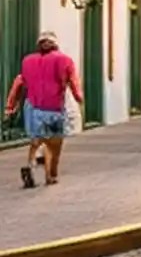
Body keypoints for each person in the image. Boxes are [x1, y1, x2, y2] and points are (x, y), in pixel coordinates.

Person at [4, 31, 83, 187]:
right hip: (54, 107)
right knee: (54, 143)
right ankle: (51, 175)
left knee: (37, 140)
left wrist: (10, 105)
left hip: (33, 107)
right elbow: (73, 82)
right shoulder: (65, 60)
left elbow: (19, 83)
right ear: (55, 44)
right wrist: (79, 98)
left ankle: (31, 164)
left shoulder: (27, 61)